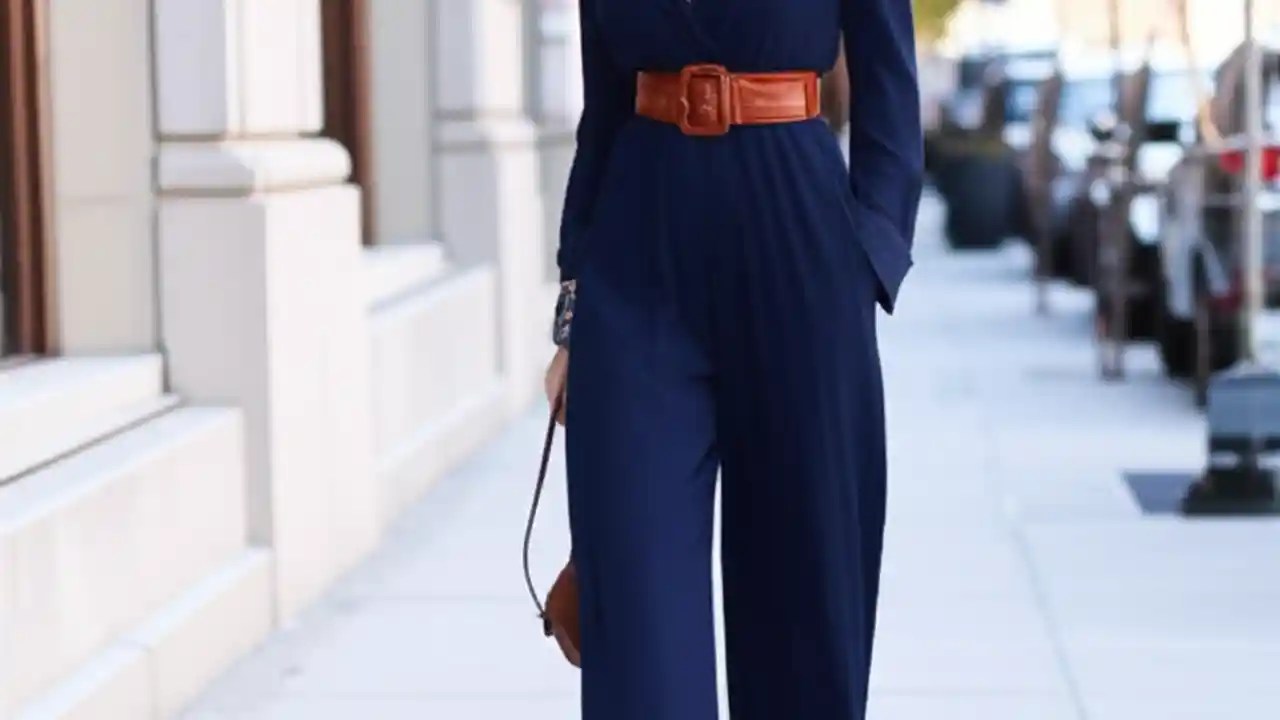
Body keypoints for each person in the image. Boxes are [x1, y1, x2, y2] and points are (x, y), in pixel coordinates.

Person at [543, 0, 922, 717]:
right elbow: (603, 112)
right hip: (635, 264)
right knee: (638, 633)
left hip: (801, 247)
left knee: (805, 616)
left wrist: (871, 253)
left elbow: (890, 82)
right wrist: (574, 314)